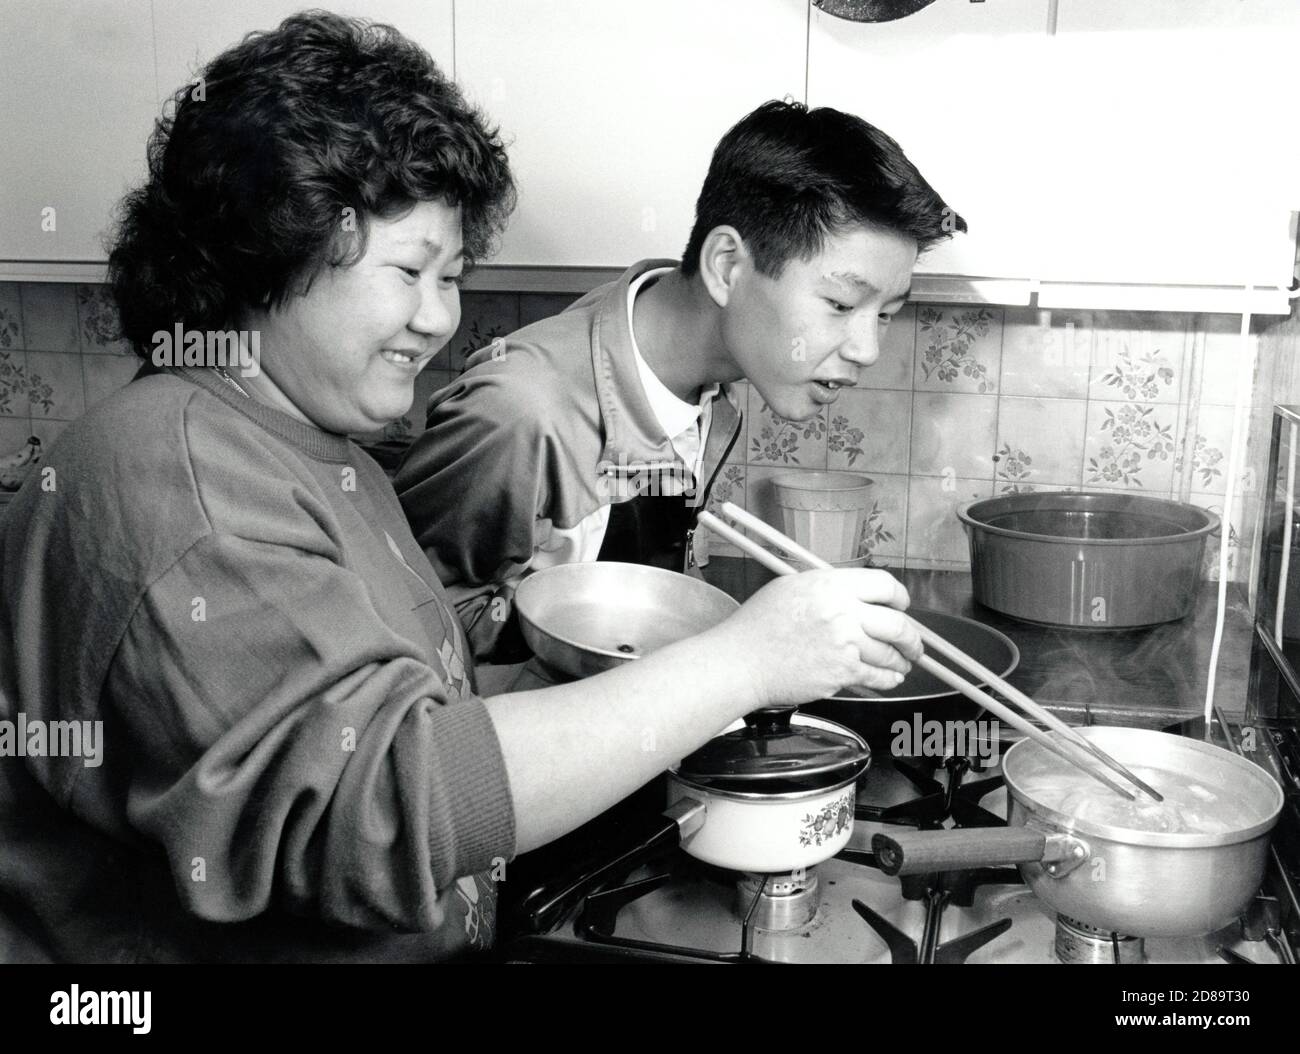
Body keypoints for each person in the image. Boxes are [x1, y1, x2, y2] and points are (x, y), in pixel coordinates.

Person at [0, 11, 920, 963]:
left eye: (455, 274)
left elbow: (419, 695)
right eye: (410, 272)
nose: (442, 320)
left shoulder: (324, 445)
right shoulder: (176, 477)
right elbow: (380, 812)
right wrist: (740, 662)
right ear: (272, 248)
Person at [395, 100, 966, 661]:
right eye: (841, 303)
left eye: (886, 313)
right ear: (726, 267)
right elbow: (411, 620)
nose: (867, 349)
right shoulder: (522, 411)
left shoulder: (716, 396)